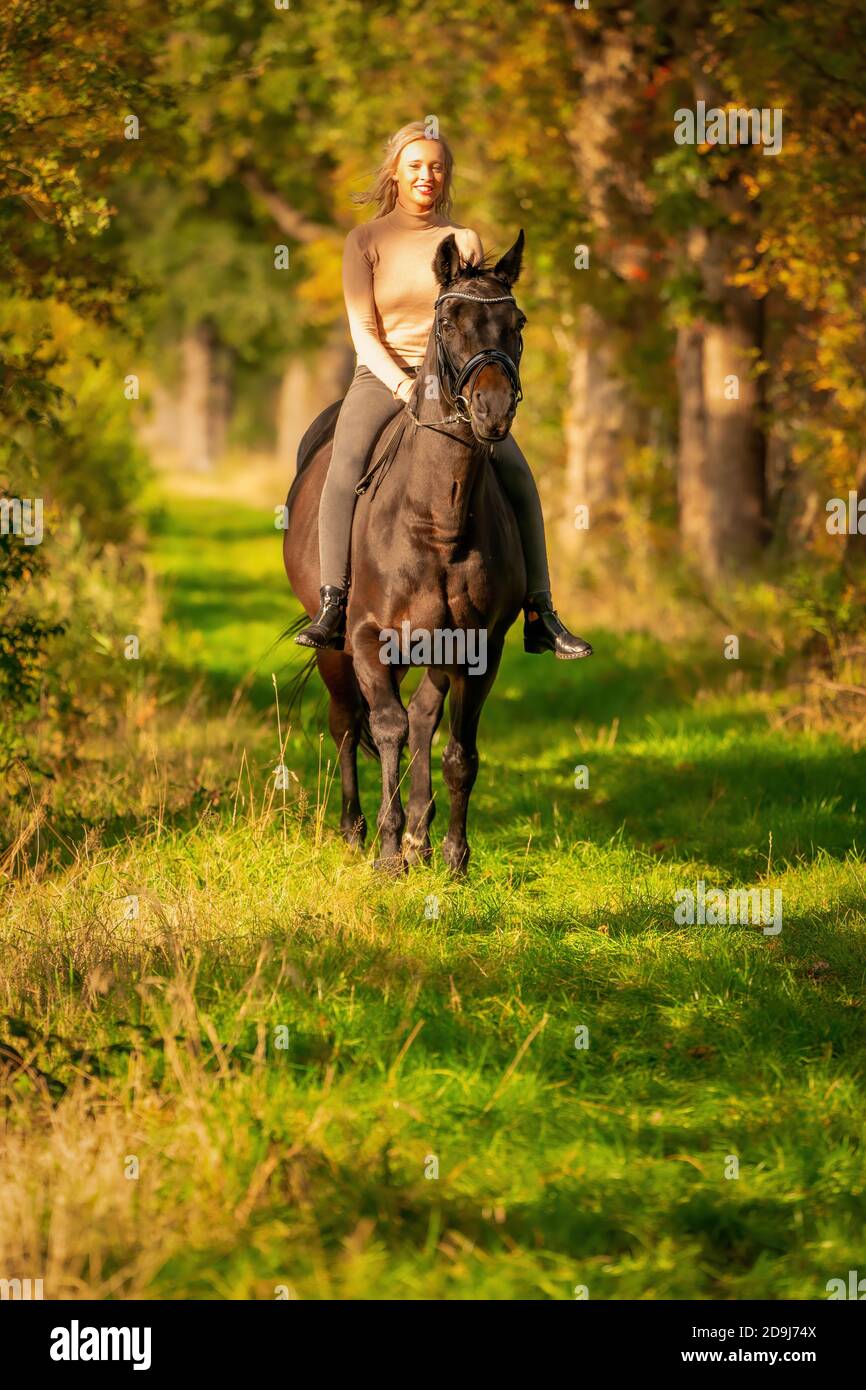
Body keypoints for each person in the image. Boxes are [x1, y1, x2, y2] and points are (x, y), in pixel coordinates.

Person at [295, 121, 592, 660]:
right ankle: (334, 602)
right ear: (396, 173)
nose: (426, 176)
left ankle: (541, 612)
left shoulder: (465, 241)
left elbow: (476, 319)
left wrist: (458, 382)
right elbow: (363, 334)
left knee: (518, 475)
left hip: (454, 379)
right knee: (343, 469)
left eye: (436, 167)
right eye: (415, 166)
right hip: (384, 375)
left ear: (445, 175)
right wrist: (405, 384)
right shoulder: (364, 242)